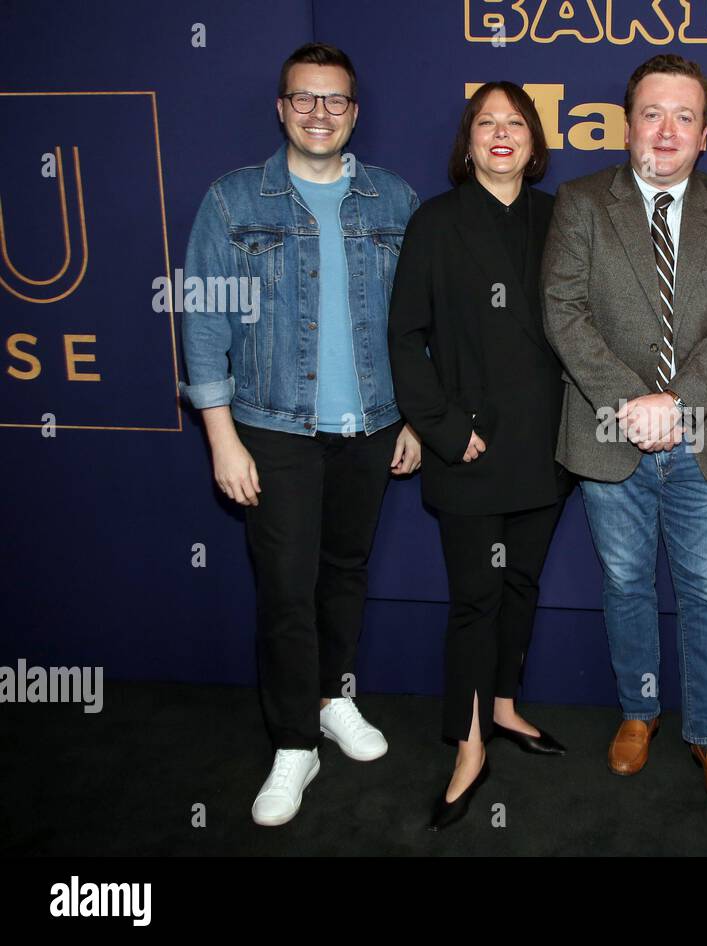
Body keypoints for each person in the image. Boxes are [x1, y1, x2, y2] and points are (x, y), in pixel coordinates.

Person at [180, 43, 422, 827]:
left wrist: (414, 416)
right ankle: (294, 744)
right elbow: (203, 322)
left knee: (344, 574)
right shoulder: (231, 201)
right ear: (282, 108)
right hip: (271, 428)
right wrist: (222, 439)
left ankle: (331, 700)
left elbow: (420, 325)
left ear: (355, 112)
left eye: (336, 101)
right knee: (286, 591)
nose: (321, 113)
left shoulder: (394, 200)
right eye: (305, 99)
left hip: (371, 428)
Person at [542, 54, 707, 807]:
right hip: (609, 436)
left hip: (703, 439)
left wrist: (678, 401)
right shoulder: (580, 202)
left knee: (706, 591)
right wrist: (634, 402)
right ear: (628, 123)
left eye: (684, 117)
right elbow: (564, 314)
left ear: (706, 132)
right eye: (652, 114)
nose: (666, 130)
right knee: (625, 584)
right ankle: (639, 713)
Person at [388, 82, 571, 832]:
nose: (502, 133)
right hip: (466, 448)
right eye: (486, 123)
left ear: (533, 142)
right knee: (475, 601)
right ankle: (468, 746)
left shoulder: (562, 218)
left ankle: (503, 707)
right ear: (467, 143)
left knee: (521, 586)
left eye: (515, 122)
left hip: (547, 447)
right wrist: (438, 425)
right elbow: (405, 335)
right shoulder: (434, 222)